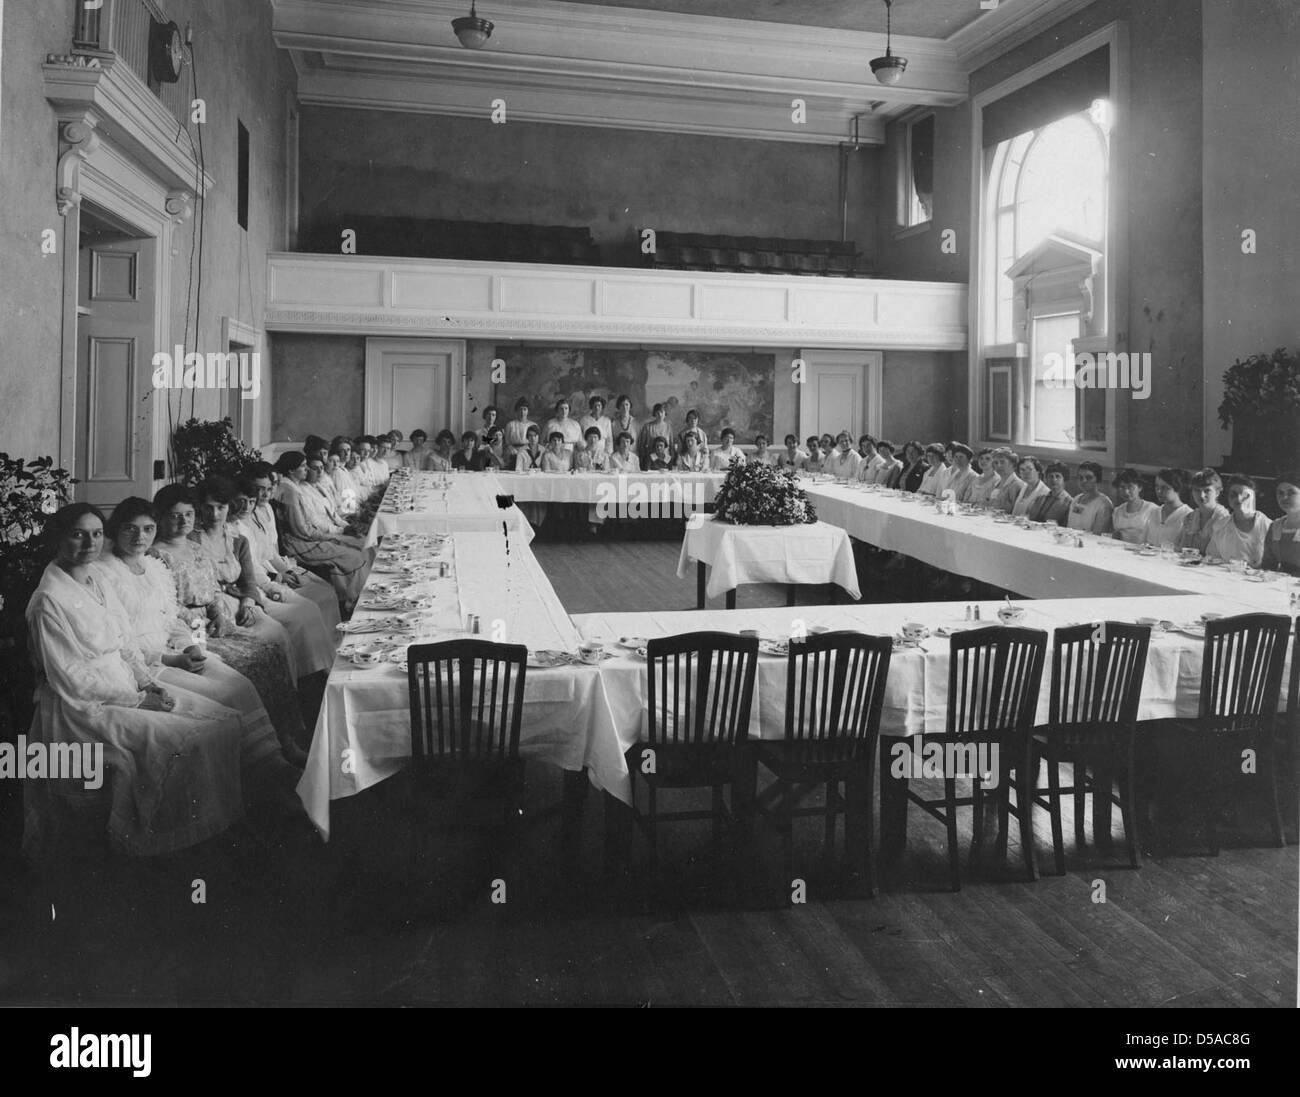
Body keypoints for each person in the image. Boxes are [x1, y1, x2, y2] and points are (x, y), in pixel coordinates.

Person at [23, 504, 252, 859]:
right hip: (84, 708)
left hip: (125, 684)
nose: (89, 544)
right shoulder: (48, 600)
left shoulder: (96, 578)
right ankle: (165, 845)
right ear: (57, 538)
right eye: (77, 534)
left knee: (221, 721)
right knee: (185, 740)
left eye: (97, 534)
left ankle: (203, 837)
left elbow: (126, 642)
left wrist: (147, 684)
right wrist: (137, 699)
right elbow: (71, 679)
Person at [99, 497, 307, 770]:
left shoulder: (152, 567)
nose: (140, 536)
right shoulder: (105, 574)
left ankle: (276, 754)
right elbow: (123, 640)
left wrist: (188, 647)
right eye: (129, 528)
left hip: (178, 642)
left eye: (147, 529)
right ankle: (261, 765)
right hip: (147, 662)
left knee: (243, 681)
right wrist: (174, 656)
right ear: (115, 530)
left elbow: (170, 617)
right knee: (229, 689)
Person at [150, 484, 310, 748]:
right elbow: (167, 607)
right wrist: (199, 624)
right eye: (175, 515)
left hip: (213, 621)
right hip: (187, 630)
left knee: (270, 651)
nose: (183, 521)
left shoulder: (196, 547)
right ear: (161, 516)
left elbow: (212, 588)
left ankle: (287, 739)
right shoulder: (156, 555)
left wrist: (219, 615)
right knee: (247, 665)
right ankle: (261, 748)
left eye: (188, 515)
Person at [225, 485, 336, 678]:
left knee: (310, 608)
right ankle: (308, 674)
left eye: (249, 502)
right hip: (245, 594)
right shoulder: (232, 532)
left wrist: (274, 581)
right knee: (298, 617)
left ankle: (322, 668)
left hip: (259, 585)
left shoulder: (241, 531)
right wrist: (272, 583)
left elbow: (258, 563)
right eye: (239, 502)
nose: (245, 507)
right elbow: (249, 573)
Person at [237, 465, 342, 630]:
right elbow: (256, 562)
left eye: (268, 489)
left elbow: (271, 552)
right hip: (265, 577)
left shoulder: (266, 510)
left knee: (327, 591)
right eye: (258, 489)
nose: (264, 495)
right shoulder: (243, 519)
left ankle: (332, 642)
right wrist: (279, 576)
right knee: (313, 603)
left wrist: (287, 571)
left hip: (277, 568)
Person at [271, 453, 372, 609]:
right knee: (352, 555)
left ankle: (354, 597)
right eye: (304, 466)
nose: (307, 470)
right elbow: (301, 530)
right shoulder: (290, 490)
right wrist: (328, 537)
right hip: (298, 543)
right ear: (291, 470)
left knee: (357, 547)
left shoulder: (294, 486)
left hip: (309, 535)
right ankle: (353, 601)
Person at [1205, 474, 1269, 565]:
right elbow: (1211, 557)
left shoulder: (1267, 526)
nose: (1238, 499)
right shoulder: (1220, 526)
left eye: (1245, 495)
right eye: (1233, 495)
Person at [1179, 468, 1230, 555]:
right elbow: (1182, 549)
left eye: (1207, 491)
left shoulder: (1224, 519)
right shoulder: (1190, 517)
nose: (1201, 495)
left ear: (1217, 492)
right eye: (1197, 490)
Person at [1262, 470, 1300, 575]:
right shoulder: (1275, 526)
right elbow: (1268, 565)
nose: (1284, 497)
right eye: (1280, 493)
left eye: (1291, 492)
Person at [1143, 468, 1193, 548]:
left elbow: (1185, 549)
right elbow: (1144, 542)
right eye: (1157, 486)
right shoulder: (1154, 511)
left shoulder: (1188, 515)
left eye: (1165, 488)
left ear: (1177, 488)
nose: (1159, 491)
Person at [1110, 468, 1160, 543]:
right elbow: (1115, 537)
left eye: (1130, 487)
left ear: (1140, 488)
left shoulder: (1152, 510)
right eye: (1122, 487)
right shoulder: (1118, 511)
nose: (1126, 492)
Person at [1066, 461, 1114, 534]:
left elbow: (1098, 535)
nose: (1084, 481)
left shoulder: (1104, 504)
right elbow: (1069, 528)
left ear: (1097, 479)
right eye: (1080, 477)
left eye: (1089, 478)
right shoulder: (1076, 499)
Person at [1026, 462, 1073, 526]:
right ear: (1047, 479)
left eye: (1058, 476)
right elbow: (1030, 518)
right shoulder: (1040, 498)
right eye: (1051, 476)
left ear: (1064, 480)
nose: (1054, 479)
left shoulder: (1069, 502)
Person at [986, 448, 1026, 513]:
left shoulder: (1017, 485)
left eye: (1002, 462)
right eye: (996, 463)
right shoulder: (996, 482)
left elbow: (1015, 512)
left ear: (1012, 464)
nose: (998, 465)